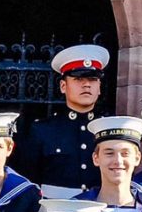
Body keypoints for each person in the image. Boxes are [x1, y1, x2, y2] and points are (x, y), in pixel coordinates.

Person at [12, 44, 108, 190]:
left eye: (93, 79)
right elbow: (28, 180)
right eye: (78, 79)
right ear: (63, 86)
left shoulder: (108, 129)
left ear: (99, 87)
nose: (87, 85)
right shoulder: (42, 130)